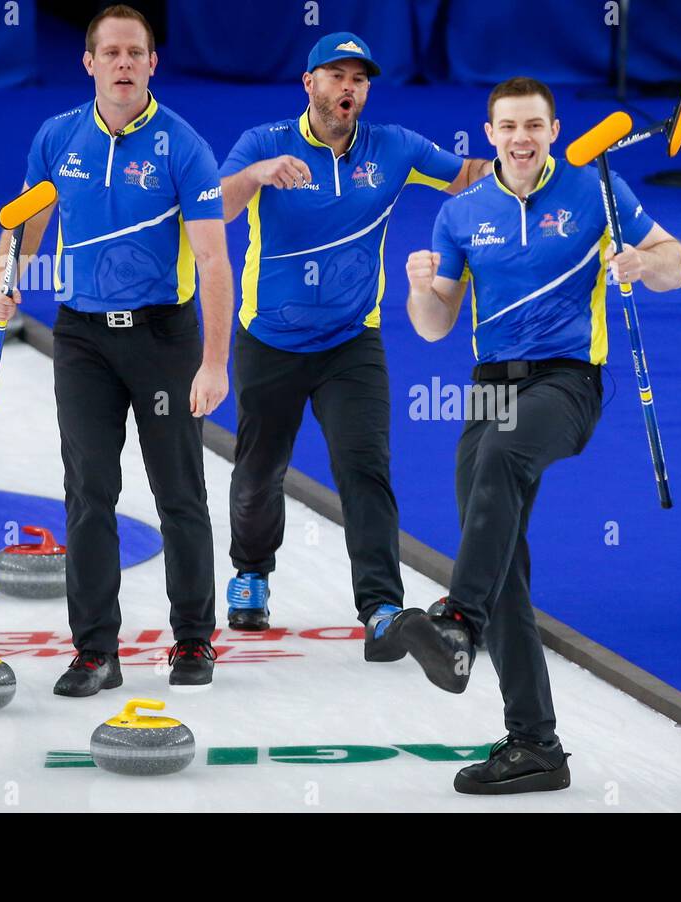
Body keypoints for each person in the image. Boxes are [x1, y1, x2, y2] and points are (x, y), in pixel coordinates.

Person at [391, 77, 681, 794]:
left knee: (502, 455)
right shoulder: (460, 214)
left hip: (566, 385)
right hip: (489, 387)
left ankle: (457, 621)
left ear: (553, 130)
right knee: (502, 565)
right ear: (488, 134)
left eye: (534, 125)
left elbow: (675, 263)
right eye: (507, 127)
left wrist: (642, 264)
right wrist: (418, 287)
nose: (521, 138)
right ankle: (535, 745)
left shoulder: (594, 192)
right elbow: (435, 328)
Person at [216, 32, 491, 661]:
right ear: (308, 84)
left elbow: (470, 177)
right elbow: (218, 208)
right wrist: (256, 175)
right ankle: (252, 573)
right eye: (335, 76)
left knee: (365, 470)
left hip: (351, 343)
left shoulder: (393, 148)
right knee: (258, 475)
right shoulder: (265, 143)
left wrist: (530, 163)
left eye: (359, 79)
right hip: (270, 342)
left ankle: (381, 608)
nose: (348, 88)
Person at [0, 5, 234, 694]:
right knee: (89, 493)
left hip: (163, 339)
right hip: (83, 338)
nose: (124, 64)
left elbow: (213, 261)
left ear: (153, 64)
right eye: (111, 53)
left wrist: (215, 362)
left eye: (136, 53)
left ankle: (193, 641)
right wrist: (3, 286)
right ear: (88, 62)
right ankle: (96, 652)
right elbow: (26, 226)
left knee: (179, 491)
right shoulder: (58, 137)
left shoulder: (184, 147)